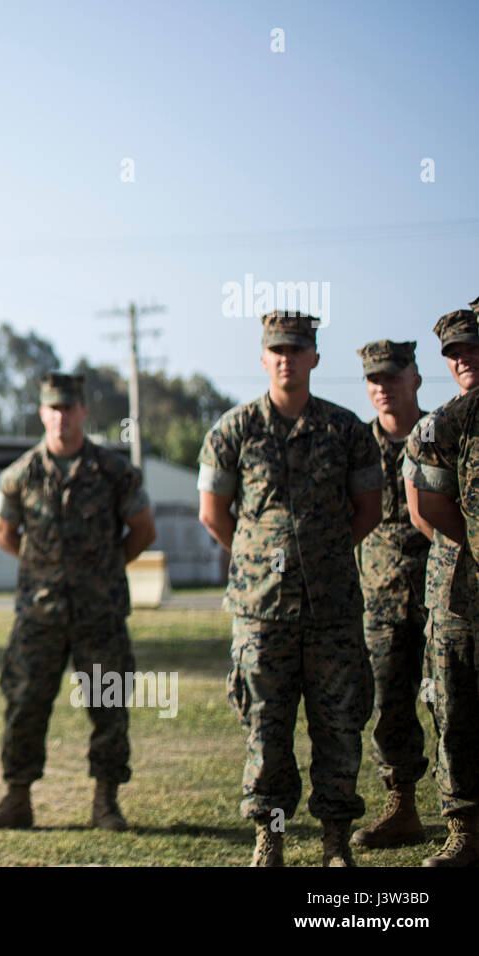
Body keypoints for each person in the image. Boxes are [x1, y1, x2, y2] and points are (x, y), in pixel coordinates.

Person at [198, 311, 381, 866]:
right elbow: (213, 513)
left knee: (338, 725)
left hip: (332, 610)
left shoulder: (347, 430)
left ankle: (335, 845)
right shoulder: (233, 430)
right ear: (262, 358)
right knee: (266, 726)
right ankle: (269, 840)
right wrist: (258, 560)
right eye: (277, 349)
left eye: (297, 349)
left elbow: (369, 511)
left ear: (314, 359)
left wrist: (319, 558)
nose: (286, 358)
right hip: (261, 613)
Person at [0, 372, 156, 831]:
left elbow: (142, 530)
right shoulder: (20, 474)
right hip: (38, 616)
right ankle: (18, 799)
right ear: (42, 413)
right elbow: (2, 534)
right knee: (24, 704)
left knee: (108, 705)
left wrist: (103, 569)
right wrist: (46, 570)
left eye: (68, 408)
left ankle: (106, 803)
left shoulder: (114, 472)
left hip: (100, 614)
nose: (61, 417)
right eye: (52, 409)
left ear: (83, 411)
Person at [402, 305, 479, 866]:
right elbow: (425, 508)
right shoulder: (441, 425)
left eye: (472, 347)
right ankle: (465, 830)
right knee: (454, 709)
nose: (463, 359)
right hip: (457, 594)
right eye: (453, 353)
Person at [349, 340, 430, 849]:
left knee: (458, 706)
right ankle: (402, 808)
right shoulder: (354, 444)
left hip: (452, 597)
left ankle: (466, 812)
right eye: (374, 380)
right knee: (390, 707)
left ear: (415, 377)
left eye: (392, 377)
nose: (383, 388)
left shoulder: (442, 432)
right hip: (380, 600)